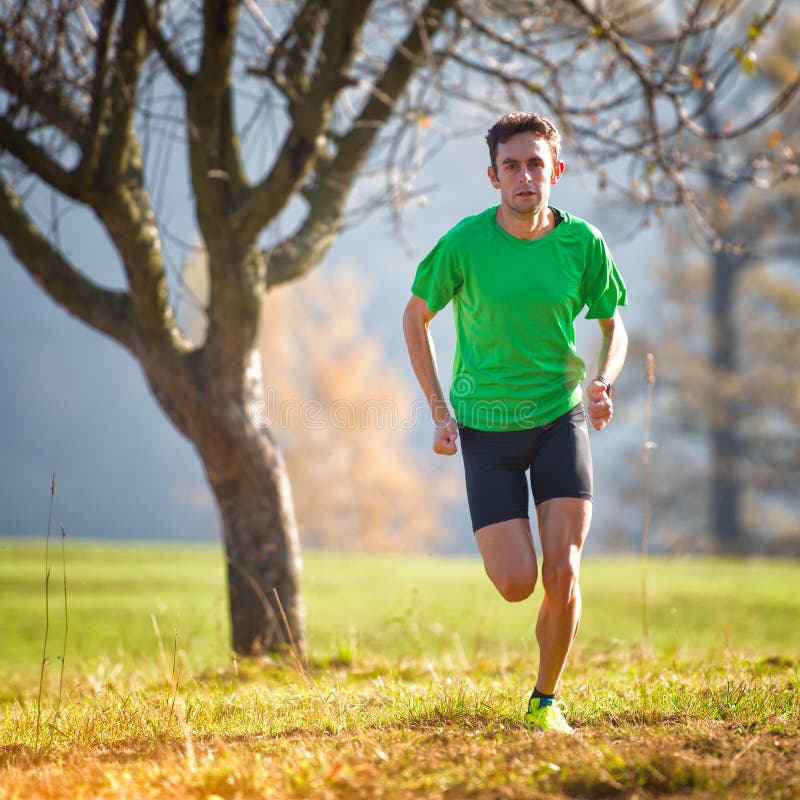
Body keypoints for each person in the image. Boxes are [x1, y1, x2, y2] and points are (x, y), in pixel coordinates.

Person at [402, 112, 629, 734]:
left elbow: (614, 326)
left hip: (560, 418)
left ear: (556, 171)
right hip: (486, 434)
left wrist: (604, 380)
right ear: (493, 176)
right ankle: (552, 617)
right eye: (512, 166)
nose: (524, 177)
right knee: (517, 582)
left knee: (565, 571)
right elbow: (414, 318)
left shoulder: (583, 244)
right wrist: (440, 412)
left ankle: (545, 701)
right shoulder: (466, 244)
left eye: (536, 164)